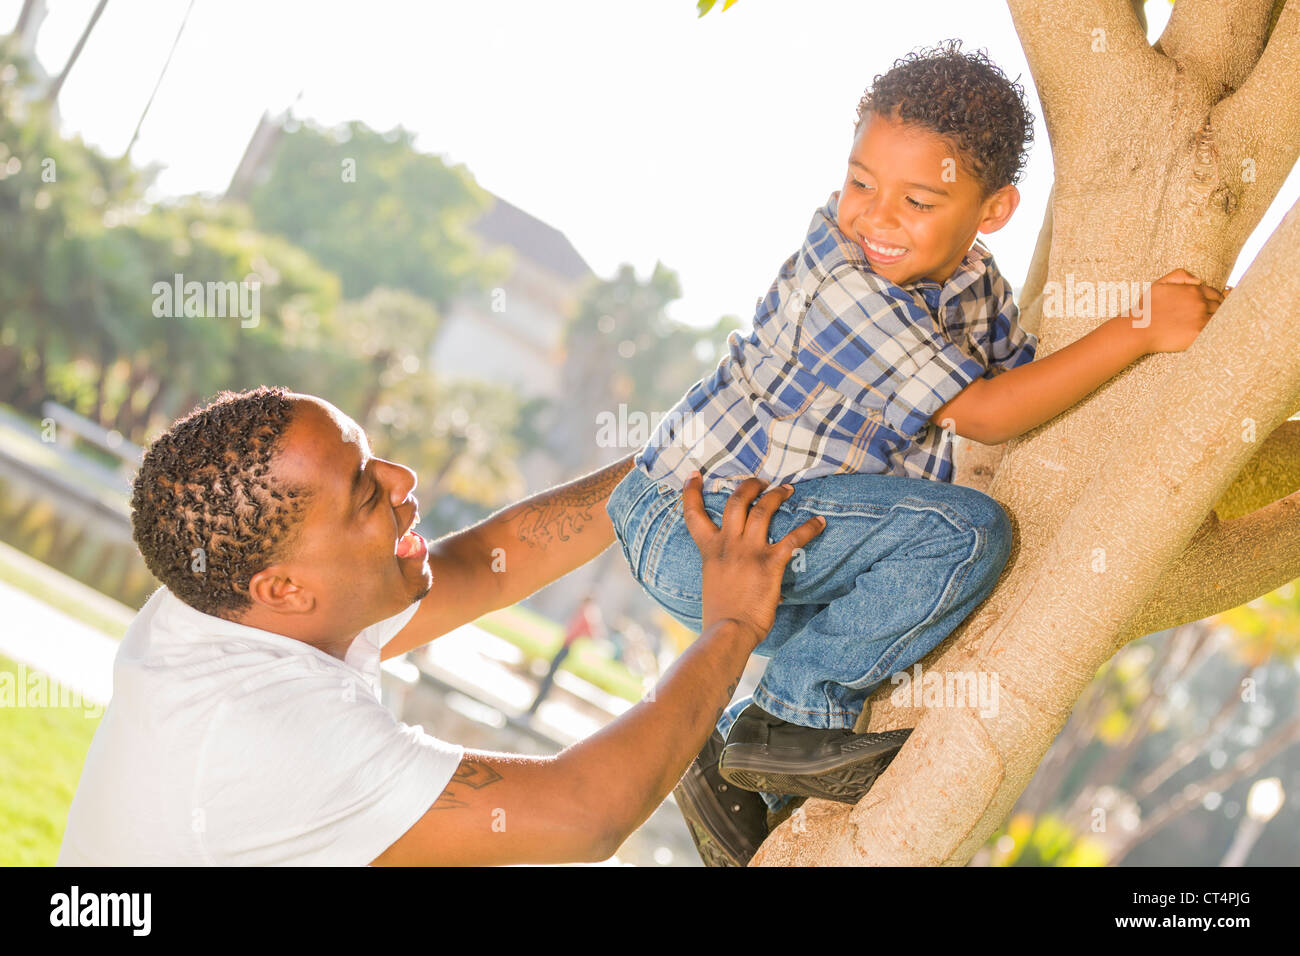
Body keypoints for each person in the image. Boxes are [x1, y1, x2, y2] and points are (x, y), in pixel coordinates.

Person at [606, 39, 1226, 866]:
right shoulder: (844, 278)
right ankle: (783, 722)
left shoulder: (974, 283)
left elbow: (1033, 383)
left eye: (918, 200)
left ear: (992, 210)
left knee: (909, 608)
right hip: (701, 525)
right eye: (861, 182)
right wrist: (1140, 327)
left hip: (786, 540)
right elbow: (989, 412)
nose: (876, 217)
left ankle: (724, 766)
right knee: (963, 537)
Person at [56, 386, 821, 866]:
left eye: (373, 457)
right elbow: (584, 815)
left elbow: (492, 560)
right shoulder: (264, 736)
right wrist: (731, 626)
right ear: (284, 587)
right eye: (364, 493)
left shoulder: (227, 593)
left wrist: (685, 461)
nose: (402, 481)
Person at [525, 594, 603, 716]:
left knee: (549, 677)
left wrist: (579, 637)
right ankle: (535, 705)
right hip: (565, 645)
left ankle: (536, 706)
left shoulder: (587, 614)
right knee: (548, 676)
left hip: (567, 647)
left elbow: (593, 633)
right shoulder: (584, 612)